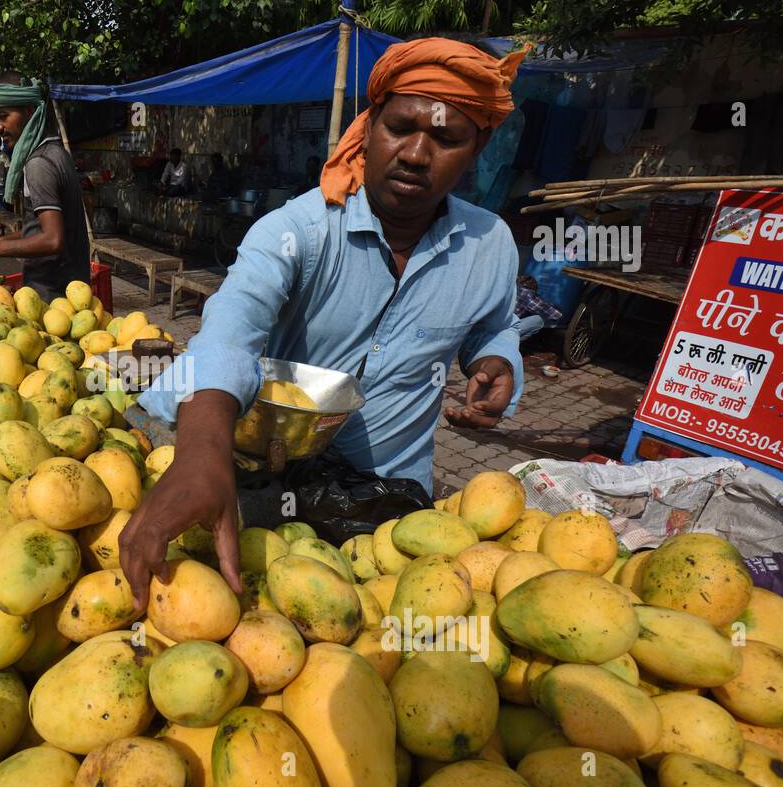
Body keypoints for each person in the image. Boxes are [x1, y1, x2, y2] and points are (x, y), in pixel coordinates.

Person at [119, 37, 530, 609]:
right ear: (369, 124)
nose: (414, 153)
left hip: (393, 506)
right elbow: (232, 326)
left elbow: (494, 325)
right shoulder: (298, 231)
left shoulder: (491, 244)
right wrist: (199, 452)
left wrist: (495, 360)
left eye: (446, 138)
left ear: (479, 146)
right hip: (273, 489)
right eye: (400, 127)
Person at [0, 72, 90, 299]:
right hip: (71, 291)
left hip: (53, 298)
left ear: (29, 111)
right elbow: (35, 230)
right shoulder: (57, 152)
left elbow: (52, 239)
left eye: (3, 116)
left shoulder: (39, 164)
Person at [515, 275, 561, 341]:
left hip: (496, 324)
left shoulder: (511, 285)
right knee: (538, 319)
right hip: (501, 331)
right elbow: (555, 314)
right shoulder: (526, 293)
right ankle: (509, 344)